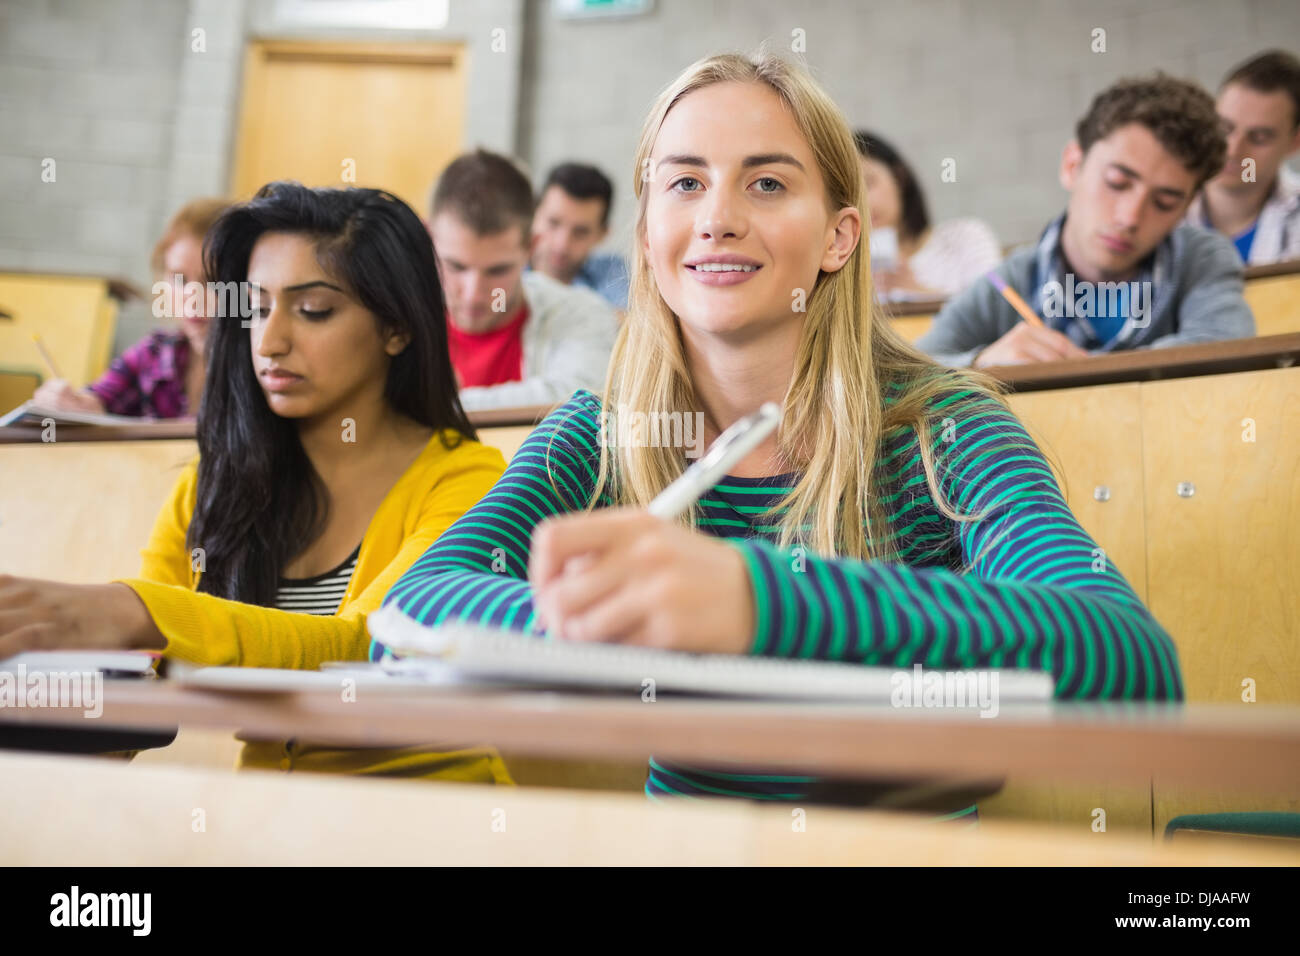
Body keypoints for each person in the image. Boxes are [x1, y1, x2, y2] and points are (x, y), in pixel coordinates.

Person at [375, 53, 1183, 814]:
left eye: (765, 183)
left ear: (839, 237)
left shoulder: (947, 428)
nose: (718, 217)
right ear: (649, 238)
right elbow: (409, 619)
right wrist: (631, 629)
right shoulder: (595, 434)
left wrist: (759, 602)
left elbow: (1134, 668)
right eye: (684, 182)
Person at [0, 182, 510, 781]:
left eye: (314, 310)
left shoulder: (467, 478)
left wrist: (131, 609)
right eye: (258, 309)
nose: (269, 343)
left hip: (430, 812)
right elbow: (143, 661)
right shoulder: (214, 481)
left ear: (396, 327)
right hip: (269, 817)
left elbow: (363, 648)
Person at [916, 74, 1255, 369]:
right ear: (1072, 165)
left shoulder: (1201, 259)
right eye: (1117, 183)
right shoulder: (1010, 281)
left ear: (1185, 209)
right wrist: (981, 363)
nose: (1129, 218)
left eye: (1164, 202)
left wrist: (1087, 371)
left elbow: (1225, 348)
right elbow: (908, 372)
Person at [428, 149, 616, 411]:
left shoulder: (582, 313)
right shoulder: (391, 318)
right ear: (429, 239)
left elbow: (580, 402)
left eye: (497, 270)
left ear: (531, 247)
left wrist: (441, 407)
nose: (473, 293)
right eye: (456, 266)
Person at [32, 198, 231, 418]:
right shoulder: (155, 354)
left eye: (212, 280)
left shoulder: (262, 365)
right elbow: (98, 399)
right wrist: (73, 404)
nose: (192, 298)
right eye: (179, 280)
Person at [1184, 50, 1300, 264]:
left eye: (1259, 137)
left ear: (1295, 142)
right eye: (1225, 128)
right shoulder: (1154, 203)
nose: (1233, 150)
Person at [853, 130, 1001, 298]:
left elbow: (995, 309)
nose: (862, 204)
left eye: (869, 183)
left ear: (899, 177)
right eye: (849, 194)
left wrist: (918, 293)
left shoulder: (965, 238)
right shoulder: (849, 270)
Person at [531, 162, 630, 309]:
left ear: (603, 234)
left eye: (580, 232)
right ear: (533, 214)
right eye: (553, 223)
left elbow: (633, 323)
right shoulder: (502, 266)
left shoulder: (613, 272)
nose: (562, 244)